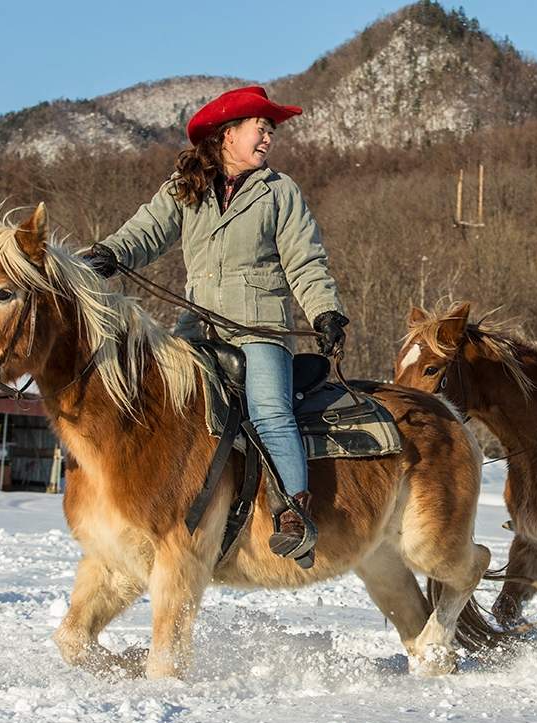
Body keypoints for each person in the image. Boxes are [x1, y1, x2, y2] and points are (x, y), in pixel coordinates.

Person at [82, 85, 347, 565]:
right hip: (197, 325)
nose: (268, 138)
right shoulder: (186, 188)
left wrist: (324, 311)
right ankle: (159, 497)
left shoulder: (280, 192)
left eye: (270, 131)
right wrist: (110, 253)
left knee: (269, 410)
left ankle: (293, 513)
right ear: (228, 134)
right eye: (260, 129)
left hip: (262, 327)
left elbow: (305, 260)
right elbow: (146, 231)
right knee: (161, 398)